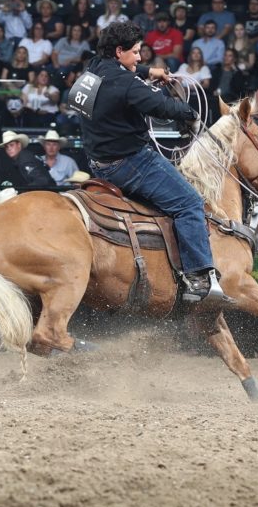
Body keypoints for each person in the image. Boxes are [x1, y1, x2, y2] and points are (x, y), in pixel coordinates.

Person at [70, 21, 225, 302]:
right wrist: (190, 113)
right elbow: (162, 106)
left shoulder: (92, 69)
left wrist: (148, 72)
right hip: (130, 163)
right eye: (136, 52)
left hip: (98, 164)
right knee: (190, 203)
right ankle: (199, 277)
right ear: (119, 51)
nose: (140, 58)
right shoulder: (127, 84)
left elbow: (120, 73)